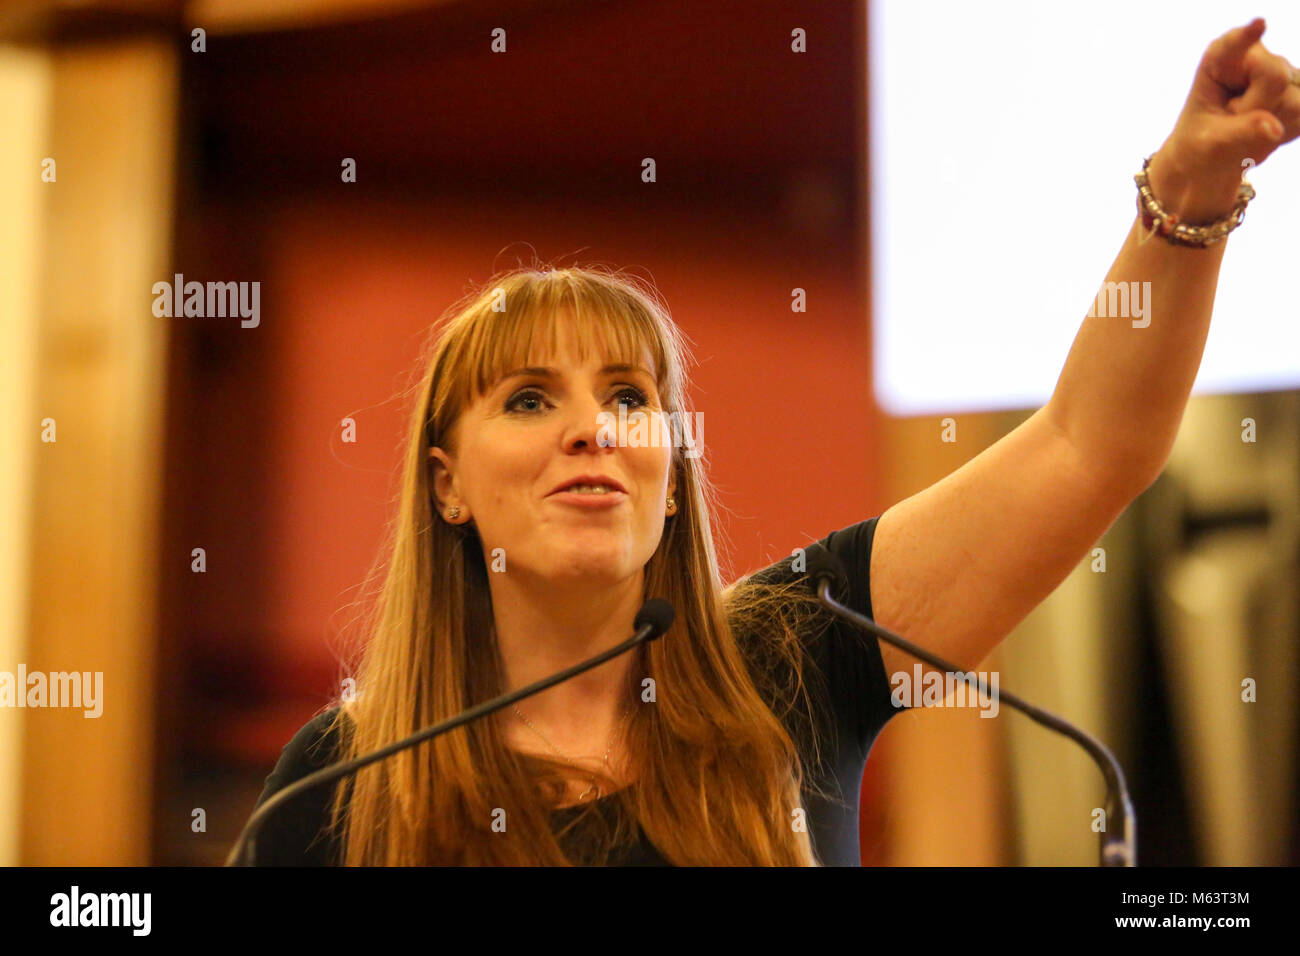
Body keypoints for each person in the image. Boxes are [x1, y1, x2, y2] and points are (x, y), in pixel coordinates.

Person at [243, 18, 1300, 866]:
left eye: (629, 396)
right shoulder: (340, 781)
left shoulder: (794, 649)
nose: (591, 430)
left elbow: (1088, 443)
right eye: (527, 399)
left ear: (668, 476)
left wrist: (1187, 194)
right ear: (446, 485)